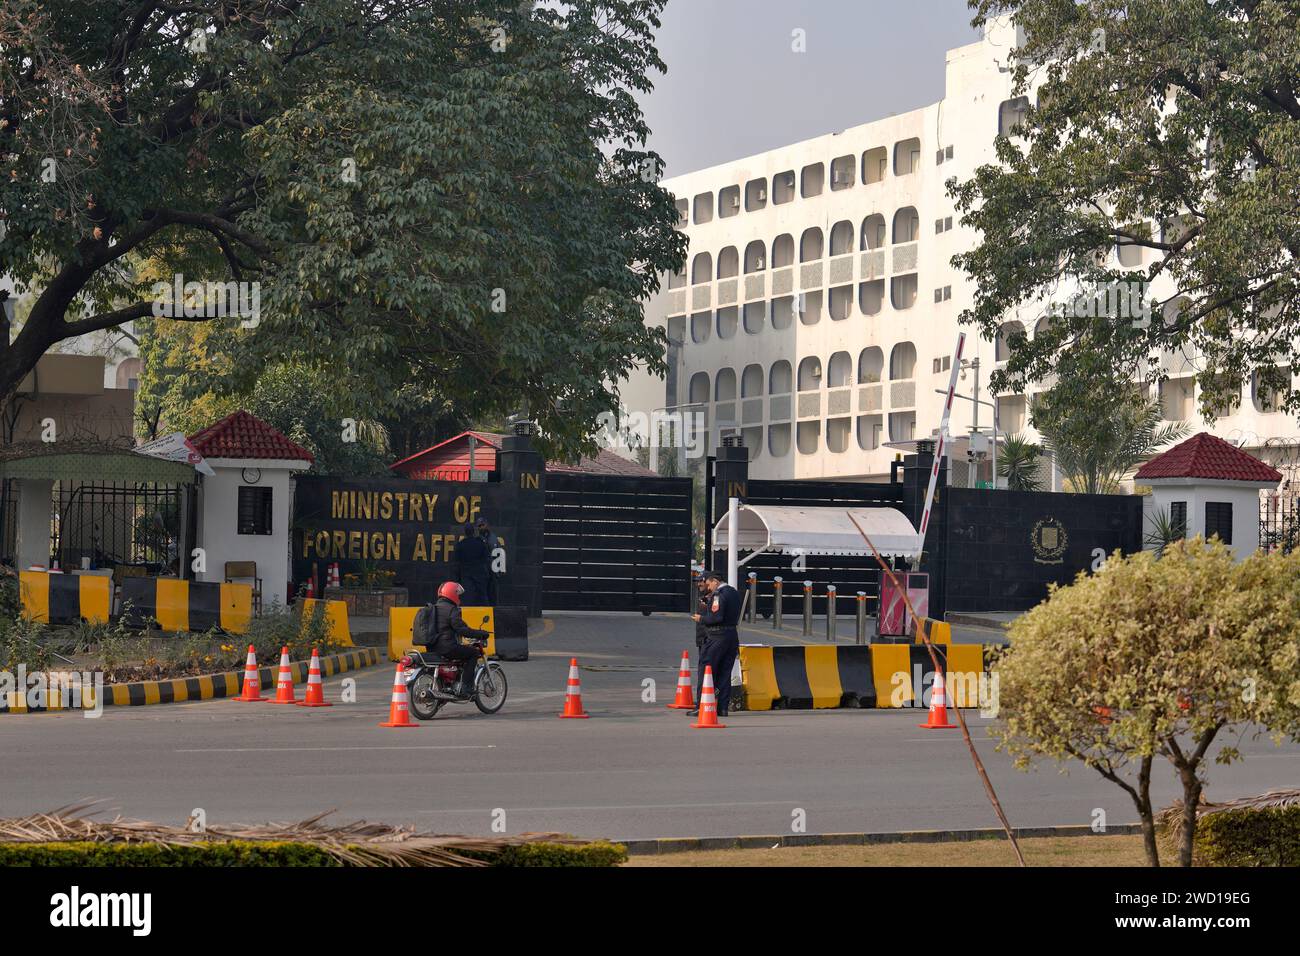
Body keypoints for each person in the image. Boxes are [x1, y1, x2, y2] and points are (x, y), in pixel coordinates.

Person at [422, 581, 491, 697]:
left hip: (432, 648)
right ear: (452, 594)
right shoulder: (451, 610)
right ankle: (466, 688)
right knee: (473, 653)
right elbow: (462, 630)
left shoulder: (433, 609)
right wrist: (480, 634)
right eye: (458, 594)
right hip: (447, 648)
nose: (459, 597)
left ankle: (449, 685)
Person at [690, 570, 741, 717]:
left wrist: (701, 618)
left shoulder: (718, 595)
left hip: (717, 636)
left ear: (715, 581)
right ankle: (722, 708)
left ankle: (702, 706)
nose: (708, 587)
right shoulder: (734, 593)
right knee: (725, 673)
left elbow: (716, 617)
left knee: (706, 670)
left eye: (709, 584)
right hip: (732, 636)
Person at [453, 523, 491, 606]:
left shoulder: (461, 545)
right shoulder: (480, 543)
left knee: (467, 600)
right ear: (473, 532)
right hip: (480, 575)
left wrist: (457, 578)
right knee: (483, 598)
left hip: (466, 575)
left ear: (465, 532)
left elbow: (457, 562)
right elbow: (486, 558)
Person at [476, 517, 500, 605]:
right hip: (482, 574)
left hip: (493, 573)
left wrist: (498, 572)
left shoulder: (494, 538)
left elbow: (499, 554)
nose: (481, 527)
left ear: (487, 525)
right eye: (479, 526)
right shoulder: (477, 540)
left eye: (483, 525)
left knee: (493, 597)